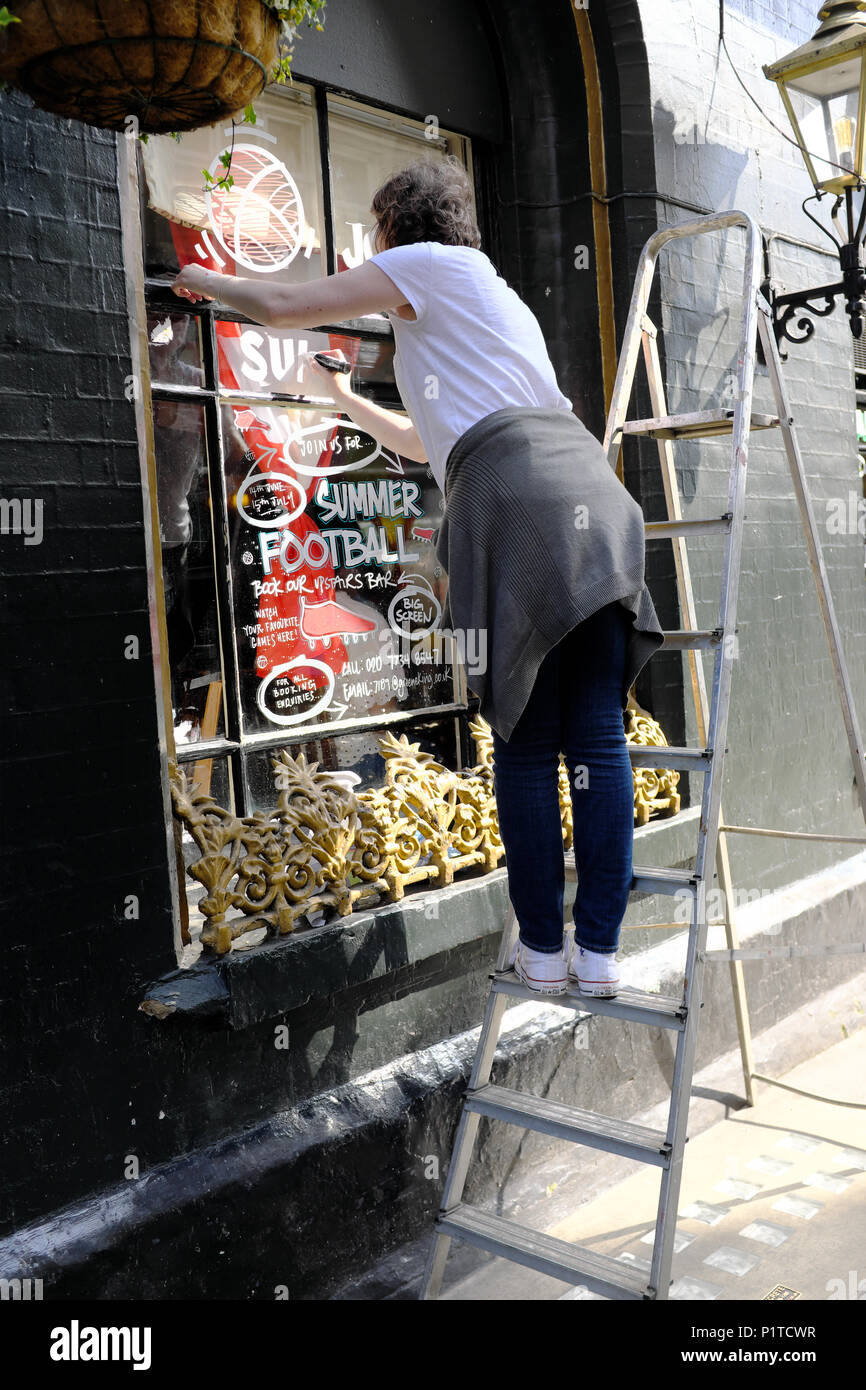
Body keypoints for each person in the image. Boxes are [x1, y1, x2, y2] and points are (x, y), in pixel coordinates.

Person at [172, 156, 665, 999]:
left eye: (373, 232)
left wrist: (190, 275)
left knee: (523, 742)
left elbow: (286, 304)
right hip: (590, 498)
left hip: (516, 505)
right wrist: (349, 405)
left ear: (400, 226)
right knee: (594, 740)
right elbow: (431, 441)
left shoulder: (423, 266)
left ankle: (541, 954)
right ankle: (600, 956)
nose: (369, 249)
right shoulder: (497, 299)